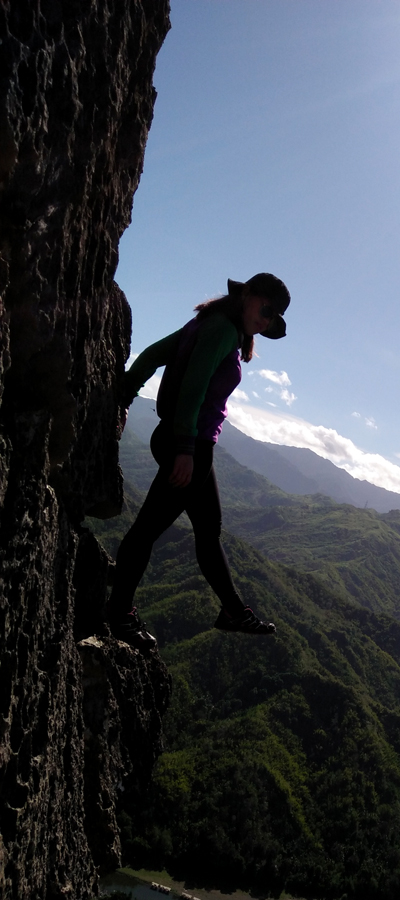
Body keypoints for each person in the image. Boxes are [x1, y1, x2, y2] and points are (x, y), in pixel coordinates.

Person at [108, 272, 290, 651]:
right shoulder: (223, 331)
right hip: (187, 445)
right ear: (248, 296)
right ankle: (119, 613)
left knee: (209, 531)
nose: (266, 319)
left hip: (183, 441)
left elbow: (156, 353)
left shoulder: (208, 323)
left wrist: (126, 392)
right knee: (146, 531)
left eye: (273, 317)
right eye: (266, 308)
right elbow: (193, 385)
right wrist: (186, 451)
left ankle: (233, 611)